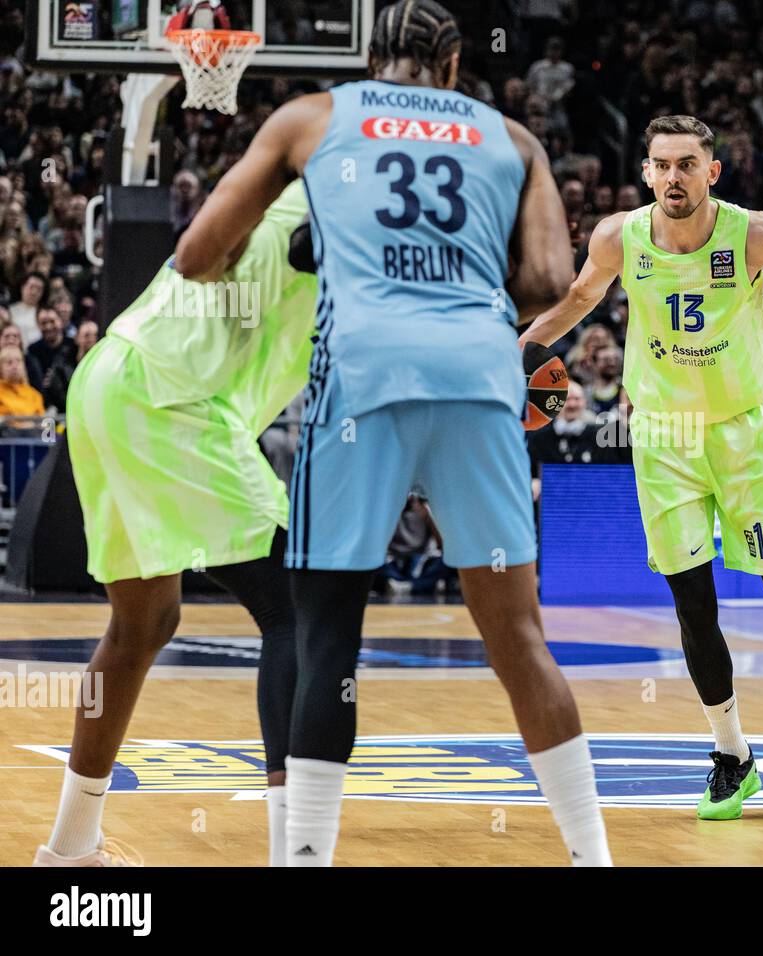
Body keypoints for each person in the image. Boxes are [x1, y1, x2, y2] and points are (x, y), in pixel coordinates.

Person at [174, 0, 611, 867]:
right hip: (479, 376)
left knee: (326, 635)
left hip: (364, 377)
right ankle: (591, 858)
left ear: (371, 59)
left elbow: (196, 254)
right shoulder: (513, 138)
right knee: (519, 636)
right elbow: (550, 280)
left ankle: (304, 859)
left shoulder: (312, 117)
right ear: (452, 63)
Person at [521, 114, 763, 819]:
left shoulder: (752, 233)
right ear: (646, 172)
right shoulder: (618, 237)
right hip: (663, 439)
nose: (673, 177)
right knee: (692, 605)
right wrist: (513, 351)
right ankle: (732, 754)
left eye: (687, 164)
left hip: (746, 432)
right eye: (662, 165)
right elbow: (577, 299)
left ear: (712, 172)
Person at [33, 181, 316, 867]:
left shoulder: (281, 186)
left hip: (109, 381)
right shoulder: (346, 202)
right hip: (172, 398)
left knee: (143, 625)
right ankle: (298, 856)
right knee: (296, 608)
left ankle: (69, 849)